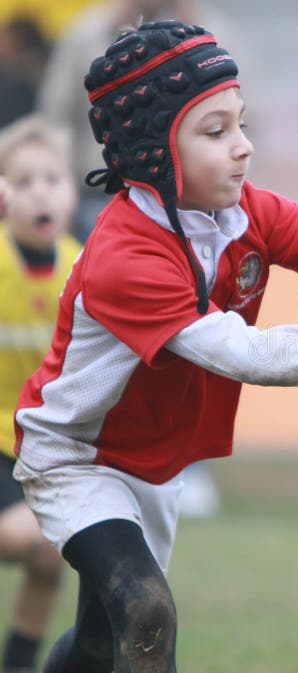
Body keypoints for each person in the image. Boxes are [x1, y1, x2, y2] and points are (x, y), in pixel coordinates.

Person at [11, 20, 298, 673]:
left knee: (98, 641)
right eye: (216, 132)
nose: (243, 147)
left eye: (240, 124)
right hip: (77, 459)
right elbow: (247, 354)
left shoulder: (245, 209)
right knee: (148, 613)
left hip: (155, 462)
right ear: (154, 150)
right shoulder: (125, 254)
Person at [37, 0, 236, 242]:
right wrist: (58, 188)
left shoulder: (210, 30)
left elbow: (240, 113)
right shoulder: (87, 31)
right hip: (99, 192)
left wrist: (233, 188)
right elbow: (55, 118)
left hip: (191, 199)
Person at [0, 116, 81, 673]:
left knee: (52, 553)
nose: (39, 192)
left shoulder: (82, 268)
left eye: (51, 178)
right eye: (23, 181)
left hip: (39, 447)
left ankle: (20, 661)